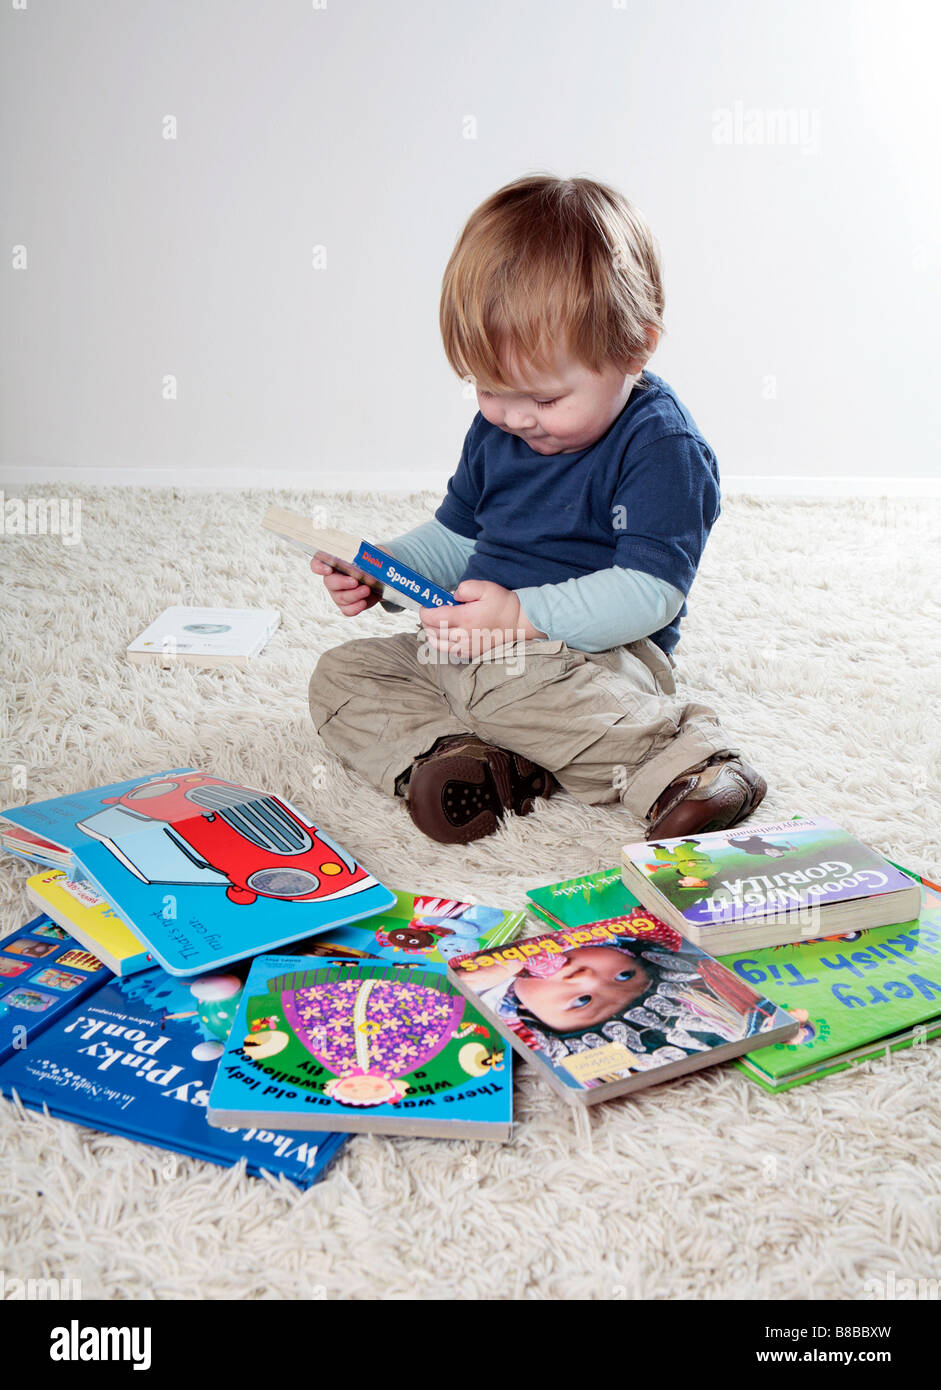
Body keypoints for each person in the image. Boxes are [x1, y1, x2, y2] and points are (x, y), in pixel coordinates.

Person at [308, 175, 766, 844]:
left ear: (634, 347)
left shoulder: (661, 446)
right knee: (343, 677)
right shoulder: (499, 433)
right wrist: (383, 568)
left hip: (592, 656)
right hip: (478, 648)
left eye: (546, 399)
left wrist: (521, 617)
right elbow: (457, 539)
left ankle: (688, 760)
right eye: (490, 390)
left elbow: (650, 594)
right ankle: (477, 762)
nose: (515, 417)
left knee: (510, 685)